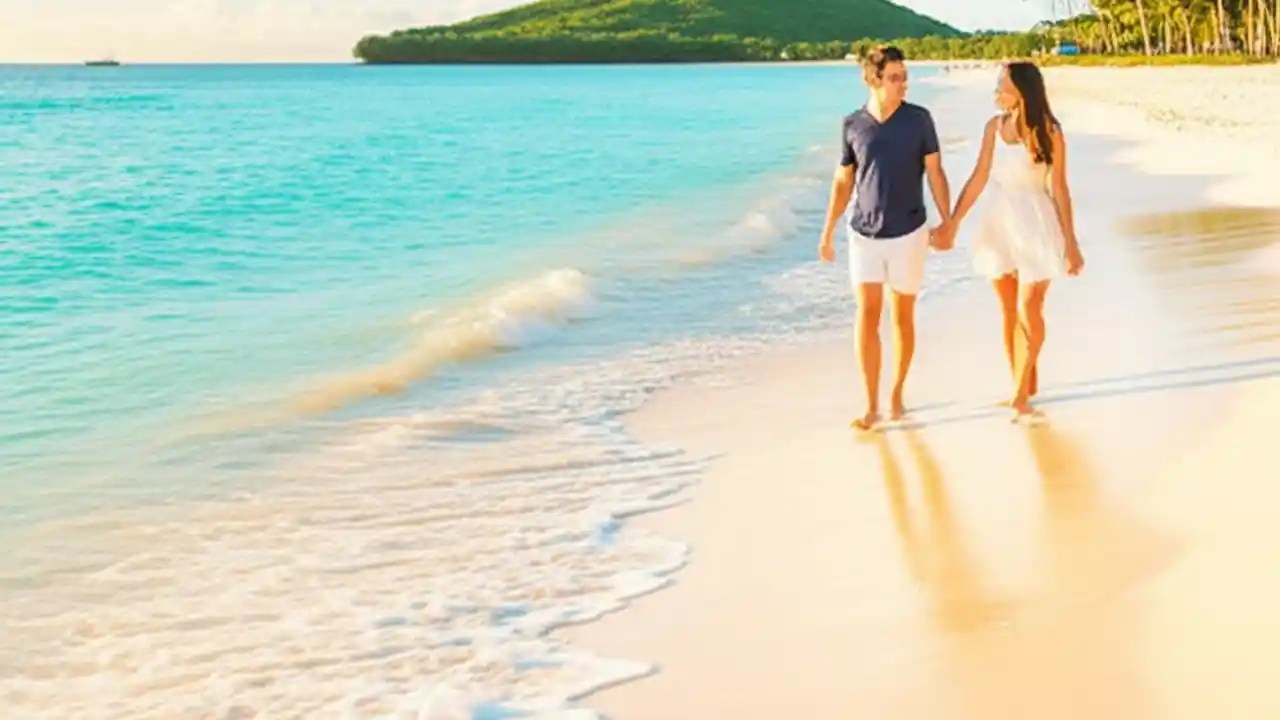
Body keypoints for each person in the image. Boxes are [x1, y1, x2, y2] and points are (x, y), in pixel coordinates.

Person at [819, 45, 955, 431]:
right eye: (894, 77)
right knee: (867, 314)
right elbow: (843, 180)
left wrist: (948, 222)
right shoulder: (852, 125)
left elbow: (936, 173)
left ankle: (896, 393)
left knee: (903, 317)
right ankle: (870, 404)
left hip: (910, 231)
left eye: (904, 76)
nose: (903, 84)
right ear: (873, 79)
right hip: (862, 232)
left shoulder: (919, 120)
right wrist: (827, 230)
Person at [950, 61, 1085, 420]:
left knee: (1029, 308)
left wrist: (1071, 244)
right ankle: (1021, 385)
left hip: (1036, 223)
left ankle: (1020, 393)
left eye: (1002, 83)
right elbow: (979, 177)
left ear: (1021, 91)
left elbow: (1059, 189)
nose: (996, 89)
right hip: (999, 223)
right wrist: (953, 221)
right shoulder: (994, 127)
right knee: (1008, 312)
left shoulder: (1050, 132)